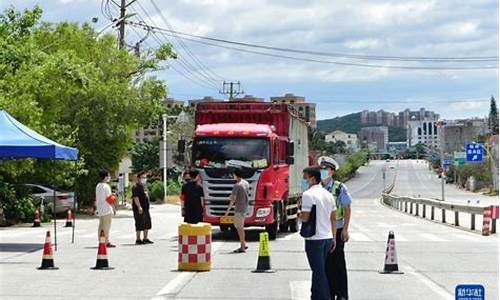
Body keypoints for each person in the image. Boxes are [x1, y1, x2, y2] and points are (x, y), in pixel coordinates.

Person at [300, 167, 337, 300]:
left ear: (312, 178)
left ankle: (324, 297)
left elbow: (305, 217)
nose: (303, 181)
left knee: (318, 272)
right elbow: (333, 217)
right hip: (327, 237)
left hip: (314, 238)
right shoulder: (328, 194)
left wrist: (298, 215)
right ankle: (315, 296)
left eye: (305, 178)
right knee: (319, 271)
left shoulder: (308, 195)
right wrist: (333, 238)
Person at [319, 156, 352, 300]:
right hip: (321, 230)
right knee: (325, 264)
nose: (323, 172)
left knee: (338, 263)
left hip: (337, 229)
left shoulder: (339, 187)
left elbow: (347, 208)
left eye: (326, 169)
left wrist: (345, 229)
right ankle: (329, 293)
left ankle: (342, 294)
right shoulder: (316, 187)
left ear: (332, 172)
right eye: (321, 169)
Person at [224, 168, 249, 253]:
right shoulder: (246, 183)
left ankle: (242, 246)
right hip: (245, 207)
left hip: (239, 208)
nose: (232, 176)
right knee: (240, 227)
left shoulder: (237, 185)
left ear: (236, 175)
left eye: (233, 175)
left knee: (239, 228)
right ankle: (244, 244)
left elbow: (233, 199)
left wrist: (227, 211)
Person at [95, 170, 116, 248]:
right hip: (107, 209)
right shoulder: (106, 186)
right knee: (106, 226)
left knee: (101, 225)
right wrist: (114, 208)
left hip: (100, 209)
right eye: (108, 176)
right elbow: (109, 199)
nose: (109, 177)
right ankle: (106, 241)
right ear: (105, 177)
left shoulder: (98, 186)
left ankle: (101, 240)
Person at [132, 171, 153, 245]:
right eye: (143, 177)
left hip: (146, 208)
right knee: (139, 223)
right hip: (139, 208)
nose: (145, 179)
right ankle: (138, 239)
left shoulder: (144, 186)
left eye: (145, 177)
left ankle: (145, 238)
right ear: (138, 178)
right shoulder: (136, 187)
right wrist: (139, 207)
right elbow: (135, 198)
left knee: (147, 223)